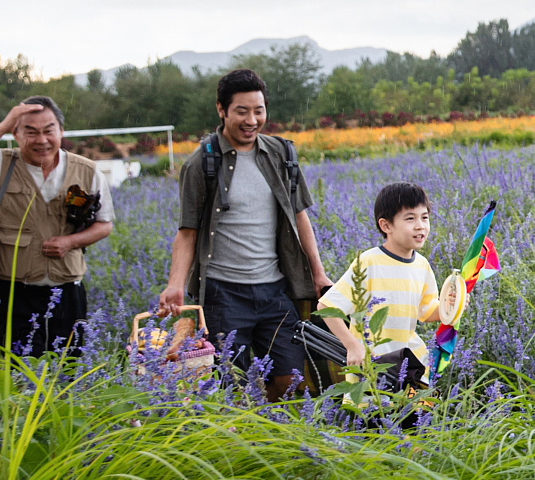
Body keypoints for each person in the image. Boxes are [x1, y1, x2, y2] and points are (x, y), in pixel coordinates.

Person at [157, 68, 332, 401]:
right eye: (242, 111)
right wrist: (175, 284)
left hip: (275, 290)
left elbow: (300, 217)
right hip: (223, 296)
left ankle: (273, 438)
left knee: (288, 379)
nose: (252, 119)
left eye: (259, 110)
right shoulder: (202, 163)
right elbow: (187, 232)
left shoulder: (282, 155)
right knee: (230, 385)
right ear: (222, 110)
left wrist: (318, 274)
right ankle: (242, 443)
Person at [0, 97, 112, 353]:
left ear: (61, 131)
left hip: (67, 288)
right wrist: (1, 126)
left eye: (48, 131)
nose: (41, 140)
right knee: (19, 369)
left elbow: (104, 224)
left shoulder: (87, 171)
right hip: (11, 290)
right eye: (30, 132)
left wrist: (70, 242)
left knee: (68, 367)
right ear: (15, 134)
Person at [320, 182, 443, 390]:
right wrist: (352, 346)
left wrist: (452, 306)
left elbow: (426, 312)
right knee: (372, 420)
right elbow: (326, 308)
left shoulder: (422, 266)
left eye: (425, 217)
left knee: (415, 420)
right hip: (371, 368)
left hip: (411, 364)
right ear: (386, 226)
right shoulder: (369, 263)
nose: (420, 225)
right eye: (410, 218)